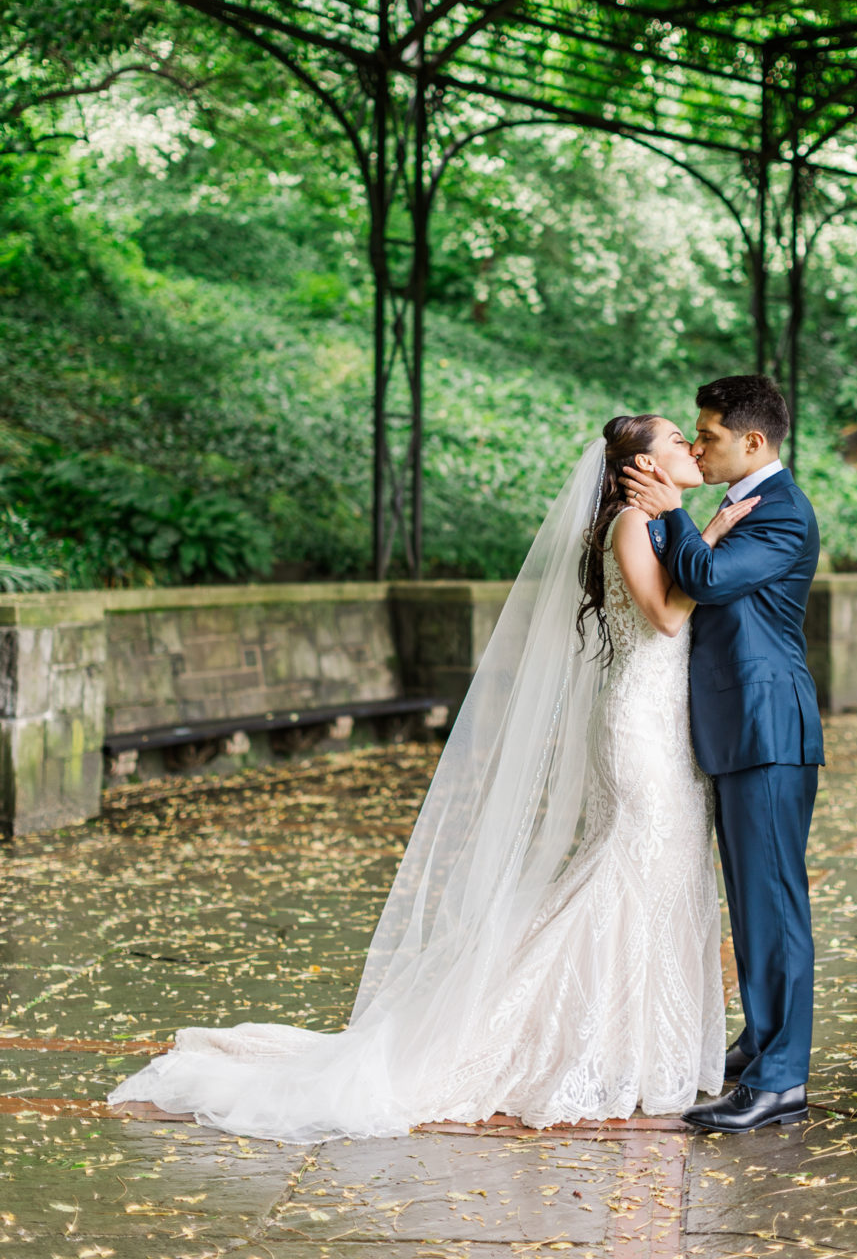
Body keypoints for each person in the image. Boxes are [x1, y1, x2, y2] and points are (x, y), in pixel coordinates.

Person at [108, 416, 754, 1142]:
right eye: (676, 439)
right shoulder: (634, 526)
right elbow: (667, 619)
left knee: (663, 877)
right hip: (637, 726)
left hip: (669, 728)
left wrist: (699, 532)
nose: (691, 449)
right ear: (641, 465)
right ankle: (540, 1037)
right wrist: (719, 538)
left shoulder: (666, 523)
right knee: (628, 874)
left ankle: (629, 1047)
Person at [622, 375, 823, 1134]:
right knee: (751, 904)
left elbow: (702, 581)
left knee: (774, 906)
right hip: (741, 728)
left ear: (753, 442)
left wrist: (673, 518)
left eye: (706, 436)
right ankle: (762, 1043)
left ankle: (781, 1081)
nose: (698, 447)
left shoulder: (783, 516)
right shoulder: (746, 503)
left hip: (769, 729)